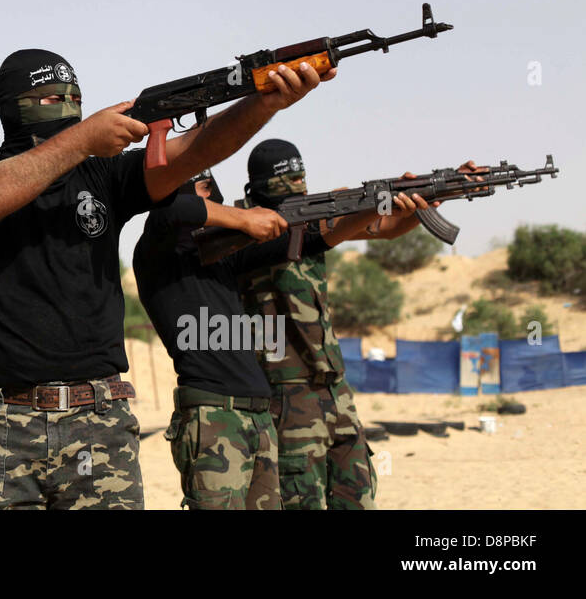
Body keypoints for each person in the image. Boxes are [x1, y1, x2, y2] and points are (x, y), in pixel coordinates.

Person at [0, 48, 332, 509]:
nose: (64, 103)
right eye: (49, 97)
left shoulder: (105, 175)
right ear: (10, 105)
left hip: (98, 421)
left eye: (72, 95)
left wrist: (265, 102)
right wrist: (82, 139)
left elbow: (192, 151)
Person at [135, 169, 416, 509]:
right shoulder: (158, 249)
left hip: (258, 413)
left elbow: (316, 239)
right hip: (212, 414)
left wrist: (380, 204)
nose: (212, 190)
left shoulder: (221, 254)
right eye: (202, 184)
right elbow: (172, 211)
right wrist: (245, 218)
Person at [235, 139, 474, 510]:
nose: (299, 182)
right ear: (261, 184)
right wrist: (372, 203)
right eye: (289, 177)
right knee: (301, 498)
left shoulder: (311, 216)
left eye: (302, 175)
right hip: (286, 391)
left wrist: (426, 199)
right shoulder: (246, 227)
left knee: (358, 492)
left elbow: (385, 228)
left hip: (334, 386)